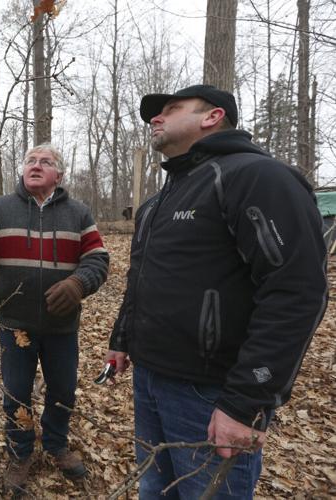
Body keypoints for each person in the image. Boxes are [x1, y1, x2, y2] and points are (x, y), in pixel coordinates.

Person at [107, 85, 328, 499]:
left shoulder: (257, 177)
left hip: (211, 394)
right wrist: (122, 338)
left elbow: (297, 291)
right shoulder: (159, 201)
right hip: (150, 379)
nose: (156, 118)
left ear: (213, 116)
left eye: (171, 109)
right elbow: (142, 278)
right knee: (155, 488)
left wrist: (246, 402)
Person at [0, 143, 109, 494]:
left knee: (63, 390)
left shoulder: (78, 214)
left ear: (59, 175)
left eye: (46, 162)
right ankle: (20, 453)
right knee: (16, 392)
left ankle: (55, 444)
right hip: (14, 324)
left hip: (61, 327)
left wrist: (77, 283)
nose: (36, 166)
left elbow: (98, 260)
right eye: (30, 161)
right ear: (22, 169)